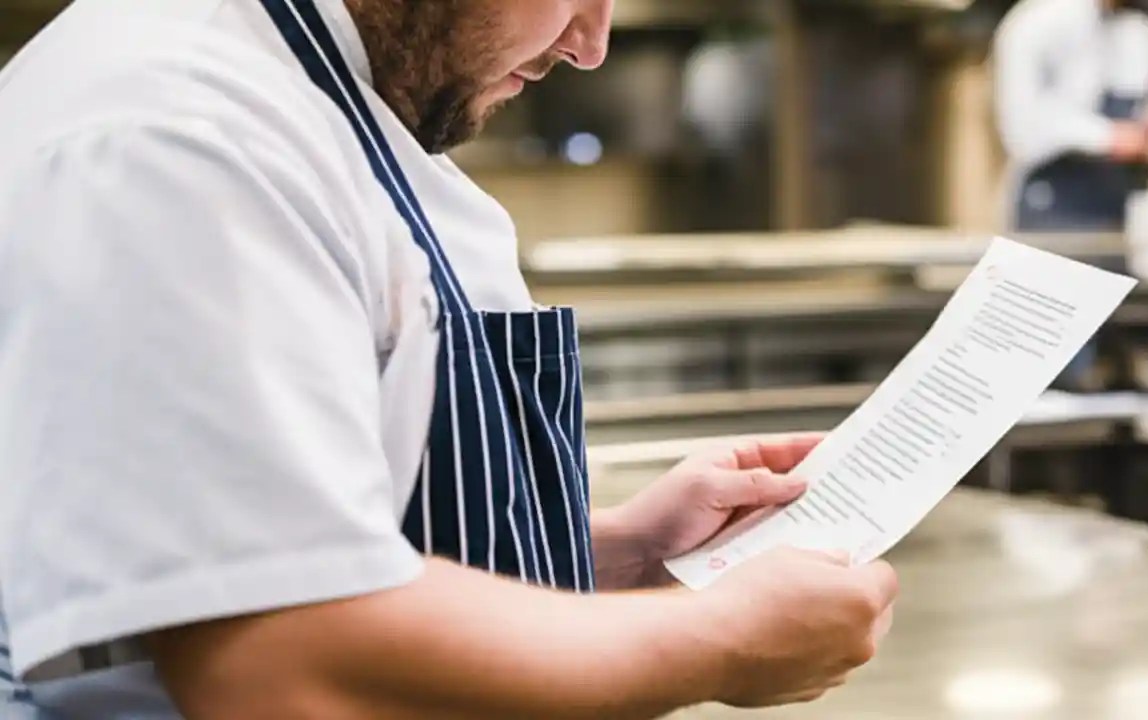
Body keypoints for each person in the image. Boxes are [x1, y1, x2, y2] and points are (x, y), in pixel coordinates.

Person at [0, 0, 900, 717]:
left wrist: (606, 555)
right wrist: (717, 638)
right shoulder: (184, 138)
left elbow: (284, 549)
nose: (590, 44)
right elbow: (279, 663)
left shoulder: (312, 102)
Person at [994, 0, 1148, 233]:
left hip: (1115, 204)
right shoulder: (1038, 21)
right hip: (1052, 198)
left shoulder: (1138, 31)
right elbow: (1022, 130)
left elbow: (1138, 104)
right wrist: (1110, 137)